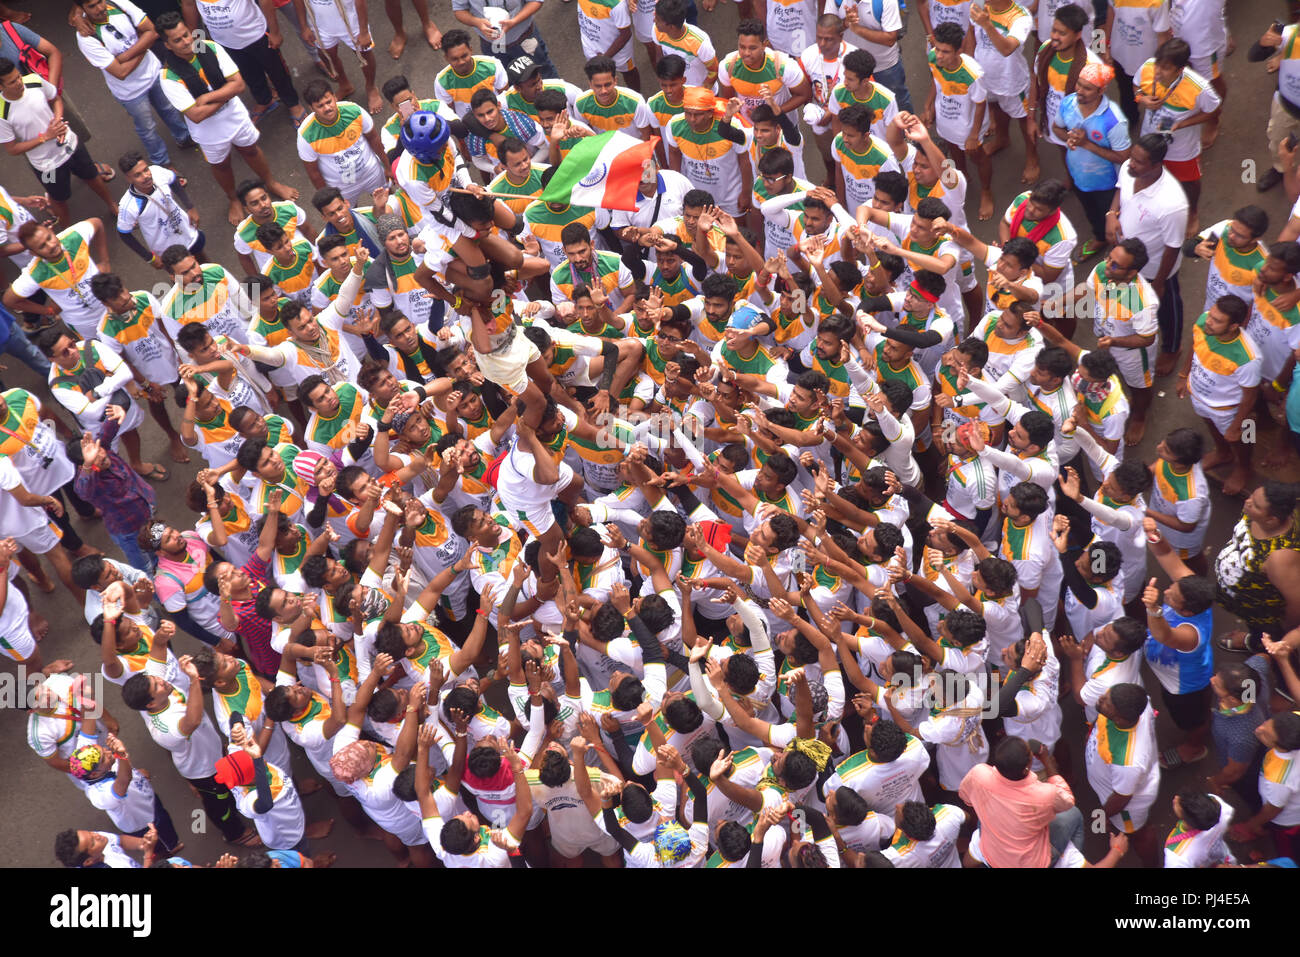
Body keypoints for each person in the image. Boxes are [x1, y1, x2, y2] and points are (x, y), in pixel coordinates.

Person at [156, 12, 299, 226]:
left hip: (235, 115)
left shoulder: (208, 47)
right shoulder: (168, 76)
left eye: (186, 34)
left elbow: (239, 85)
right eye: (178, 40)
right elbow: (195, 115)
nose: (186, 42)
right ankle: (233, 198)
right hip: (208, 130)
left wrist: (207, 98)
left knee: (250, 149)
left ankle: (271, 182)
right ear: (167, 45)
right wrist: (226, 94)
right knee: (221, 165)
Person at [72, 0, 195, 170]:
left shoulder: (118, 4)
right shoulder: (86, 37)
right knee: (148, 128)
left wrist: (123, 57)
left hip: (153, 72)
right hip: (130, 92)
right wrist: (144, 46)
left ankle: (184, 137)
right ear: (82, 9)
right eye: (92, 6)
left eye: (100, 1)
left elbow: (152, 30)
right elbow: (120, 73)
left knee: (169, 109)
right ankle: (162, 162)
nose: (100, 8)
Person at [0, 58, 118, 230]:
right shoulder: (2, 112)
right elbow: (12, 149)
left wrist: (57, 120)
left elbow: (55, 99)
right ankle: (66, 229)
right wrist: (45, 137)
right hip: (47, 165)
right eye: (12, 81)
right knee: (58, 198)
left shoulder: (33, 81)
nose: (19, 82)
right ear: (1, 87)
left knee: (92, 175)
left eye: (18, 76)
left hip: (71, 146)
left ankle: (112, 205)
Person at [1108, 134, 1189, 377]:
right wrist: (1111, 214)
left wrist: (1161, 282)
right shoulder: (1129, 169)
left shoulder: (1172, 204)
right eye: (1132, 157)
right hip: (1126, 258)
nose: (1130, 163)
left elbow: (1173, 246)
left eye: (1138, 161)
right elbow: (1120, 190)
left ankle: (1172, 348)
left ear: (1156, 165)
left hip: (1155, 268)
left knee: (1167, 308)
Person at [1134, 37, 1220, 234]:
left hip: (1181, 148)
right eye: (1158, 64)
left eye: (1165, 68)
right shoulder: (1148, 67)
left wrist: (1182, 124)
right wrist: (1142, 98)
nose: (1157, 72)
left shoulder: (1199, 88)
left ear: (1180, 69)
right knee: (1149, 171)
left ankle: (1192, 213)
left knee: (1189, 181)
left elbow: (1213, 110)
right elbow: (1136, 85)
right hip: (1149, 137)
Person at [1176, 296, 1260, 497]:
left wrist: (1236, 424)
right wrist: (1183, 375)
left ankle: (1244, 467)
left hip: (1227, 410)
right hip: (1199, 397)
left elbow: (1250, 396)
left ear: (1233, 326)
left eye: (1216, 320)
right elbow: (1195, 347)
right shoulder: (1203, 323)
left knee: (1243, 438)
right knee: (1210, 424)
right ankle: (1223, 453)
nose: (1209, 322)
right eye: (1211, 315)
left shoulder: (1249, 358)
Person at [958, 735, 1082, 868]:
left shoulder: (978, 774)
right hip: (1030, 863)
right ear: (1027, 768)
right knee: (1075, 815)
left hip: (992, 852)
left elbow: (965, 797)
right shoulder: (1044, 794)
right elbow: (1068, 801)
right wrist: (1046, 760)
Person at [1053, 61, 1131, 263]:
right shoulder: (1068, 103)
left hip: (1108, 184)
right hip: (1078, 177)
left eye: (1087, 88)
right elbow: (1057, 128)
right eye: (1079, 84)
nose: (1080, 91)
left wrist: (1086, 143)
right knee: (1091, 214)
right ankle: (1099, 239)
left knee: (1115, 221)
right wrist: (1068, 137)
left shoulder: (1113, 120)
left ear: (1101, 90)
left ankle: (1118, 253)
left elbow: (1124, 157)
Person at [180, 0, 306, 126]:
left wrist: (274, 32)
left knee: (277, 70)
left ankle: (293, 103)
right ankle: (265, 100)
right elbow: (189, 5)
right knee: (248, 73)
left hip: (256, 33)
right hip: (225, 42)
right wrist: (195, 39)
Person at [296, 80, 389, 204]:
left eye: (329, 102)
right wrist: (329, 200)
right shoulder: (306, 134)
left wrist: (388, 167)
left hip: (371, 172)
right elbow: (314, 173)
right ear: (311, 108)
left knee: (388, 201)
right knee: (349, 218)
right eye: (320, 106)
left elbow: (373, 138)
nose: (327, 108)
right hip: (341, 188)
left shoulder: (354, 111)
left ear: (335, 97)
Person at [293, 0, 382, 114]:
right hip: (320, 24)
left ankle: (371, 87)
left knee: (364, 54)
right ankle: (344, 85)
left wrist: (364, 31)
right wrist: (304, 27)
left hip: (352, 23)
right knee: (326, 56)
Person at [115, 152, 204, 266]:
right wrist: (149, 257)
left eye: (146, 169)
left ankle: (212, 284)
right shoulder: (128, 206)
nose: (146, 176)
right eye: (138, 175)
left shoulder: (157, 172)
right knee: (182, 279)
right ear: (128, 179)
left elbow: (173, 180)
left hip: (187, 232)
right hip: (167, 251)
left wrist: (190, 207)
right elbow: (124, 234)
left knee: (205, 266)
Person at [453, 0, 557, 78]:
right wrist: (477, 23)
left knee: (543, 73)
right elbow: (459, 10)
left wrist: (514, 21)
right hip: (491, 45)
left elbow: (536, 1)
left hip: (524, 38)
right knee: (505, 79)